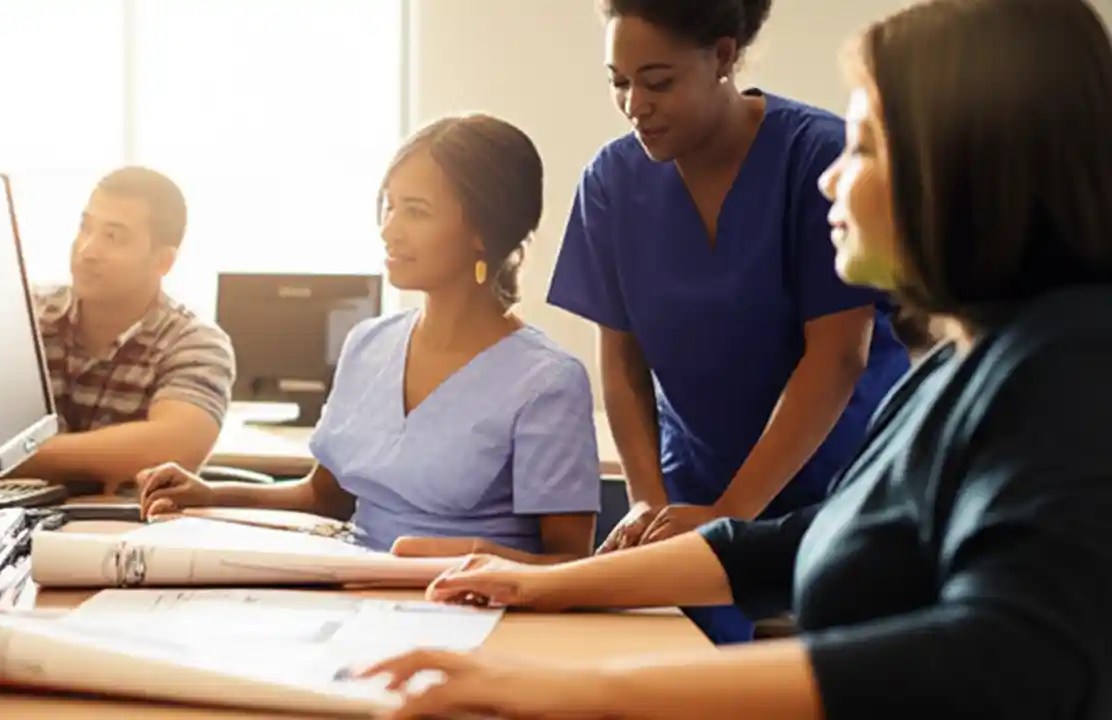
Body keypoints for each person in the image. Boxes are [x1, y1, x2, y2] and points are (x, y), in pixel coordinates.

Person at [359, 0, 1112, 717]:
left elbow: (1011, 657)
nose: (830, 176)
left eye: (868, 146)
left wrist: (583, 688)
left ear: (970, 168)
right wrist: (543, 582)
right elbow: (791, 544)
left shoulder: (1068, 366)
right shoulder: (961, 371)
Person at [548, 0, 911, 643]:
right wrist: (648, 502)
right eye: (619, 83)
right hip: (693, 483)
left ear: (722, 56)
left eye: (657, 82)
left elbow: (836, 357)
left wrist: (730, 518)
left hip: (838, 480)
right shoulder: (611, 181)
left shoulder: (817, 158)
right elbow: (623, 362)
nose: (636, 105)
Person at [138, 114, 601, 563]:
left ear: (484, 230)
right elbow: (324, 498)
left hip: (473, 610)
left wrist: (477, 557)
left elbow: (570, 562)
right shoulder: (368, 344)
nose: (389, 230)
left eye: (416, 211)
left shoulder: (548, 381)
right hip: (356, 594)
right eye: (389, 205)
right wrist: (209, 493)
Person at [15, 167, 236, 492]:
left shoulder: (196, 342)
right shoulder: (24, 314)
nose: (87, 250)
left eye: (113, 236)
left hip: (126, 536)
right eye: (85, 227)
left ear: (163, 261)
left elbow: (172, 448)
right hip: (7, 531)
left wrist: (12, 457)